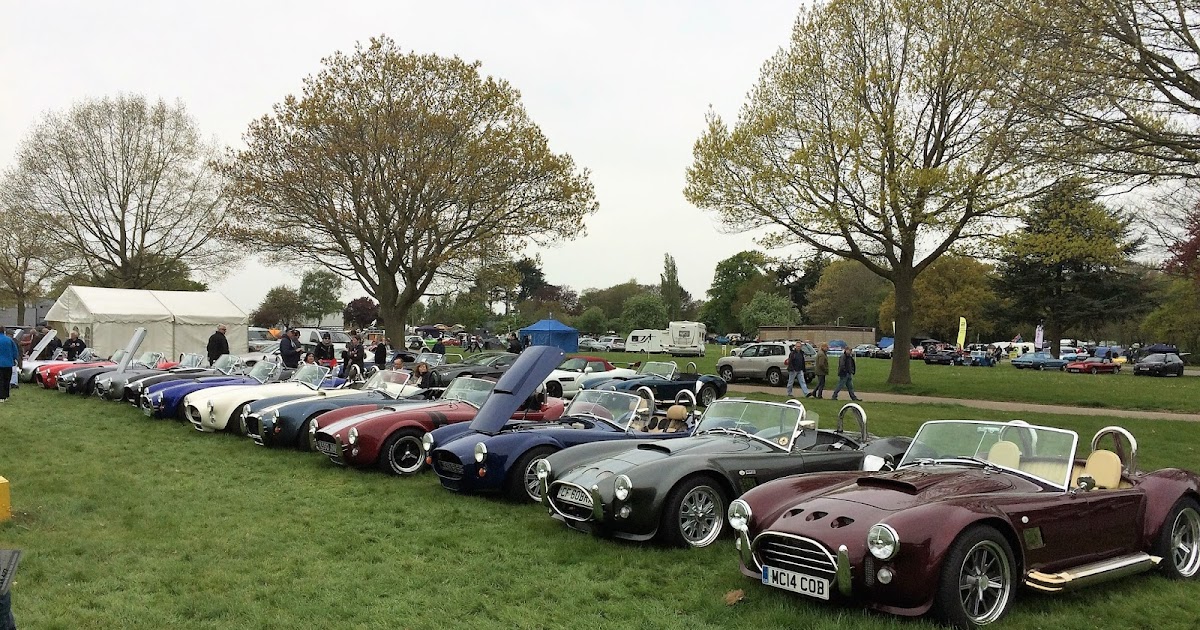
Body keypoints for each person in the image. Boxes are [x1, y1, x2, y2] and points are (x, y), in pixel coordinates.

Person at [0, 328, 20, 403]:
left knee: (0, 380)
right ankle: (6, 395)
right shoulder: (9, 340)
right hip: (8, 363)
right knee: (7, 379)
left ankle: (1, 396)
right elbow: (15, 351)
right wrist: (15, 359)